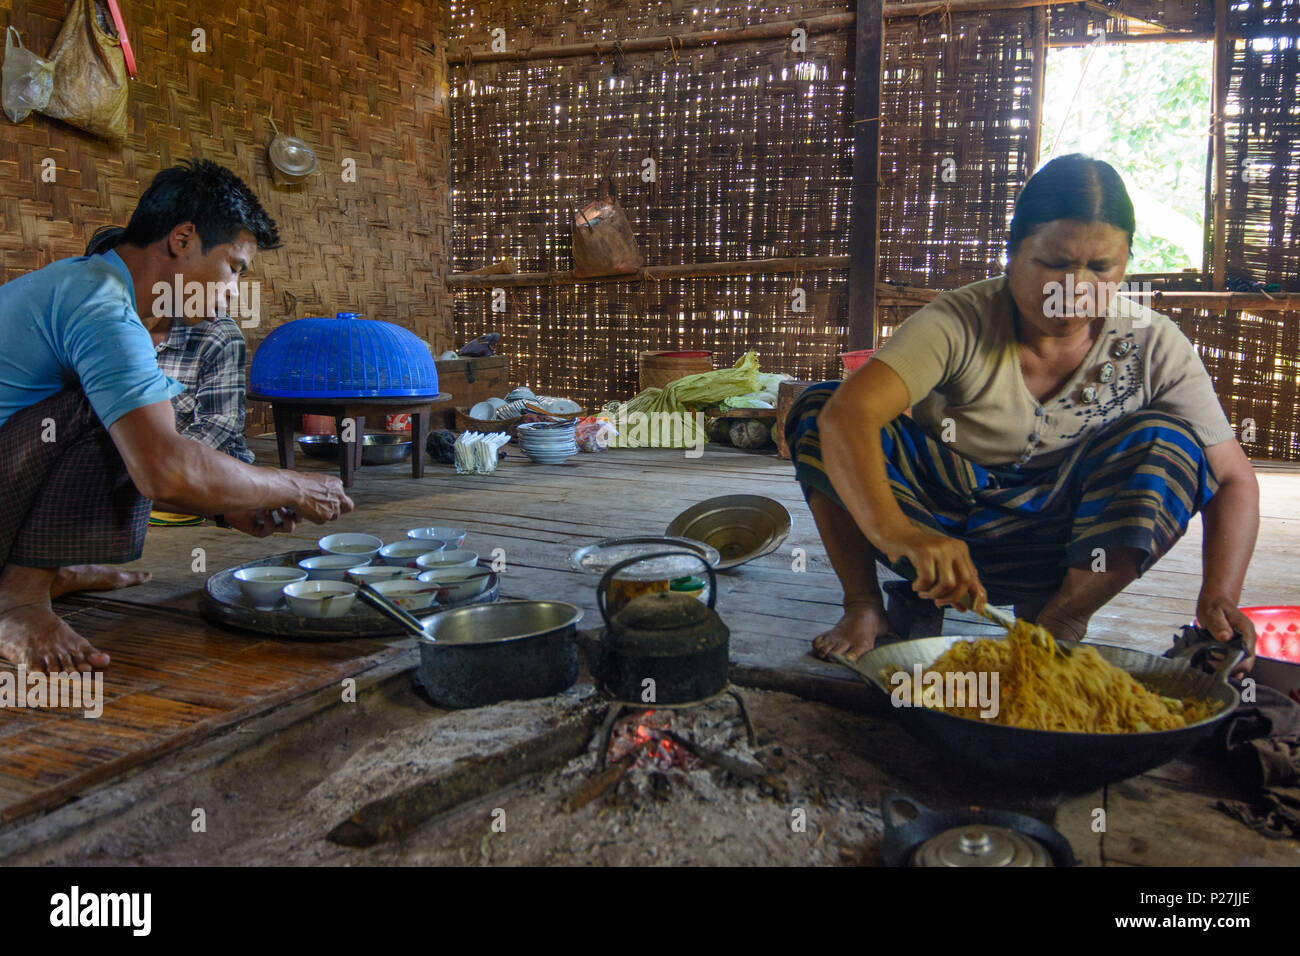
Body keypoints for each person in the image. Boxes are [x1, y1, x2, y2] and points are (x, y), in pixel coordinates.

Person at [787, 154, 1259, 666]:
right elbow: (847, 416)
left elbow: (1233, 479)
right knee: (819, 410)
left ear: (1125, 264)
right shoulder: (959, 321)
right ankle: (863, 604)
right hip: (939, 533)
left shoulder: (1153, 344)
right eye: (1053, 264)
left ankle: (1061, 618)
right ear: (1011, 255)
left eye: (1101, 267)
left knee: (1169, 442)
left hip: (1065, 542)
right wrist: (899, 533)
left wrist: (1220, 594)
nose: (1073, 289)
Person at [0, 159, 353, 674]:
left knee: (134, 421)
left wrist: (226, 506)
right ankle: (18, 602)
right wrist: (290, 485)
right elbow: (163, 467)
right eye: (234, 267)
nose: (233, 289)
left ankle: (51, 569)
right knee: (110, 419)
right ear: (183, 238)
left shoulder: (95, 286)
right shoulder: (102, 307)